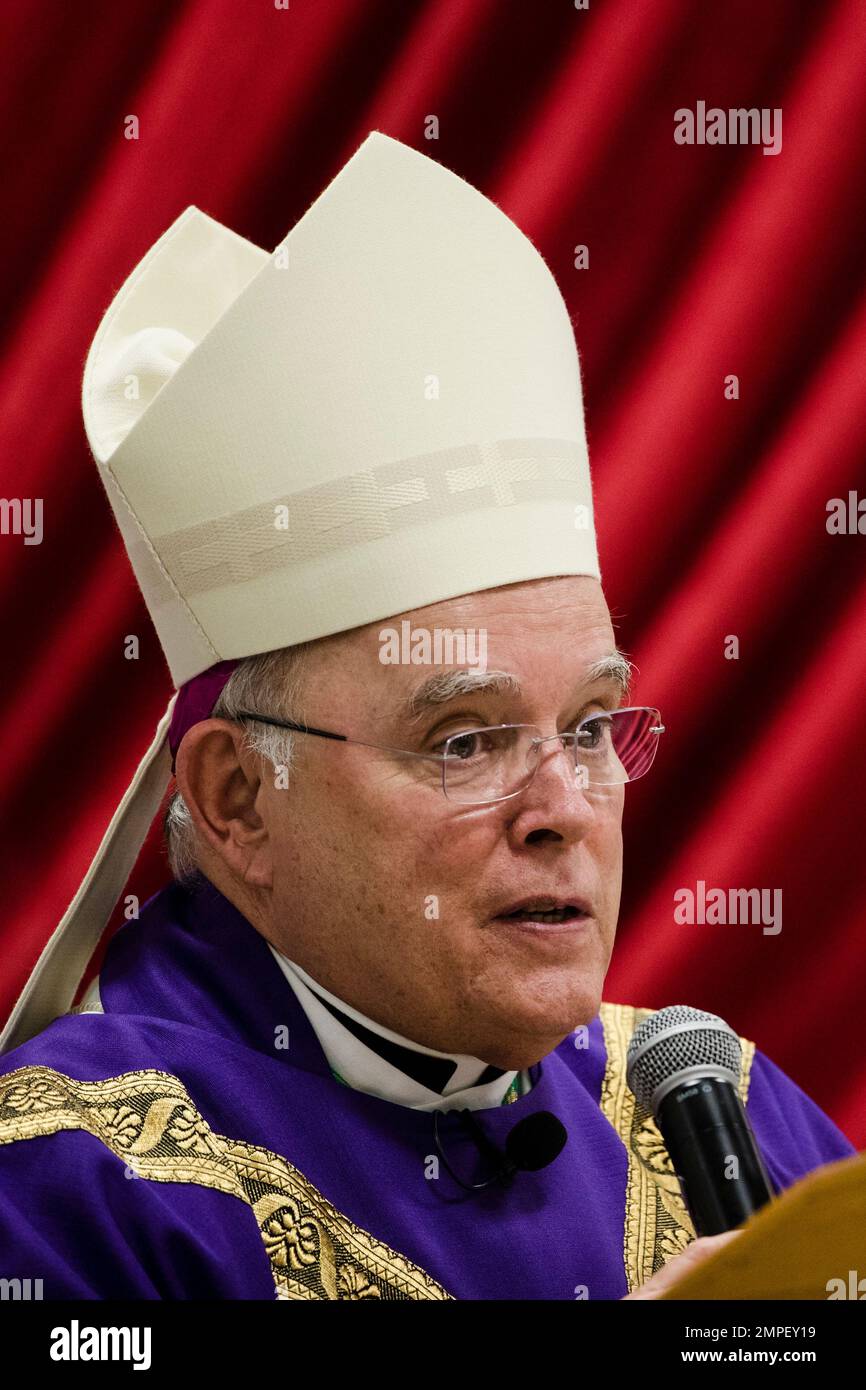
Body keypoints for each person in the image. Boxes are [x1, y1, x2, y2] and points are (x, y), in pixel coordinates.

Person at [0, 133, 853, 1301]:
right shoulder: (70, 1190)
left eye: (593, 724)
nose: (563, 810)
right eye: (465, 741)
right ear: (239, 799)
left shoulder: (713, 1119)